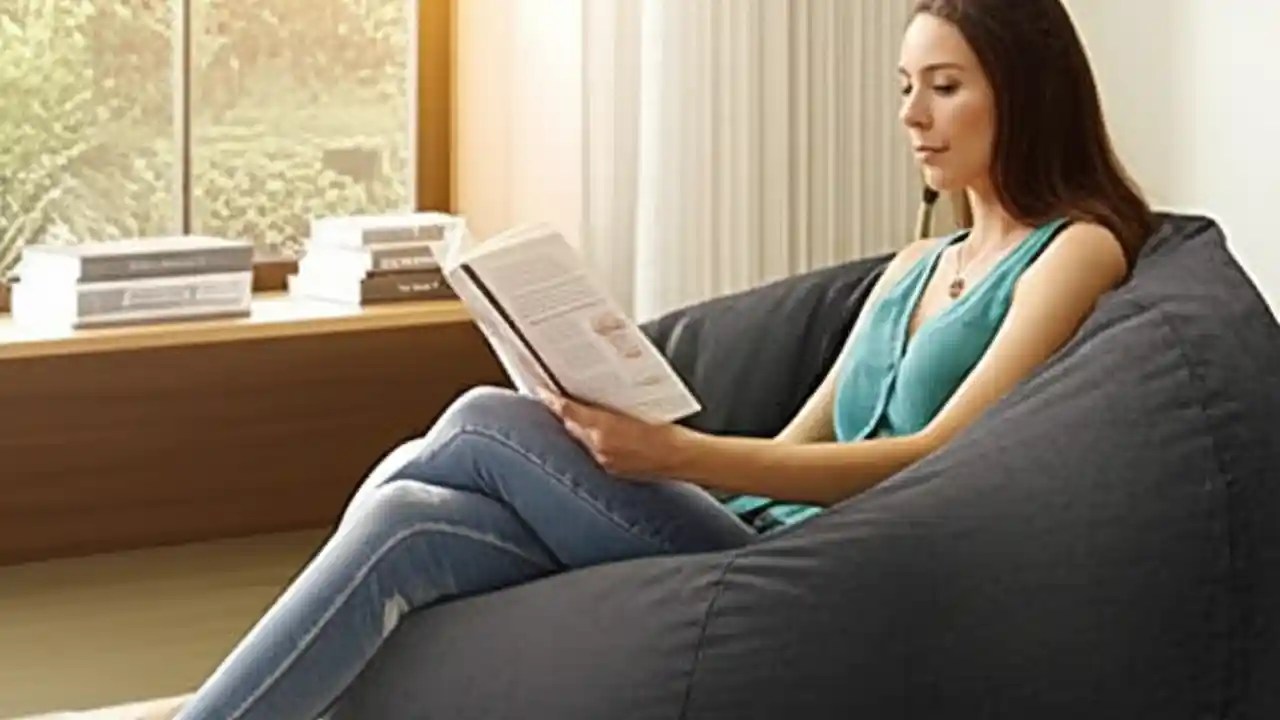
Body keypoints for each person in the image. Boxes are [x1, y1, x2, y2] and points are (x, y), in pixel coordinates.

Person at [158, 0, 1153, 717]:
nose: (909, 116)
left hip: (806, 572)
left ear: (1021, 95)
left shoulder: (1072, 251)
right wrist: (641, 423)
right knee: (410, 520)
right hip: (741, 525)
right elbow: (798, 436)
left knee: (480, 417)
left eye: (942, 87)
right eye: (903, 87)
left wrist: (673, 460)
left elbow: (935, 452)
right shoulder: (910, 263)